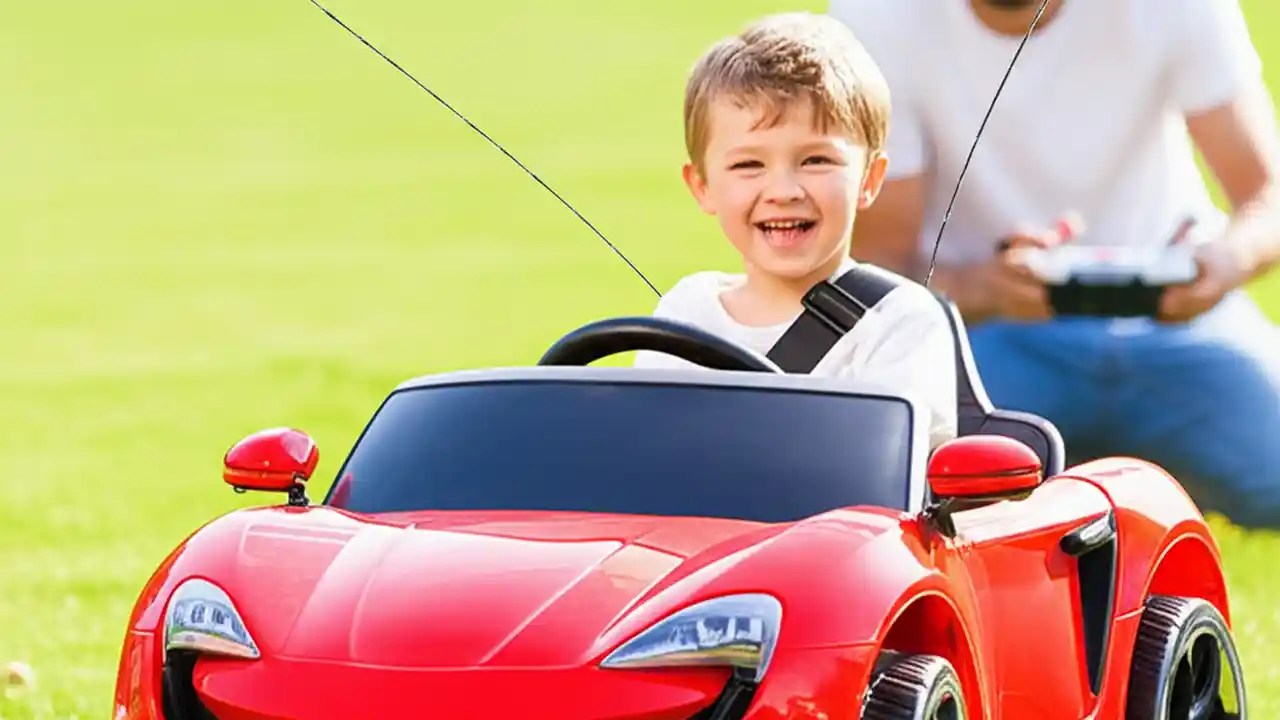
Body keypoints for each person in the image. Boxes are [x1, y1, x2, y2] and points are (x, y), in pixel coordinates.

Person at [829, 0, 1280, 528]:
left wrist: (1223, 263)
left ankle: (1126, 474)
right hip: (982, 332)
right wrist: (984, 287)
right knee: (906, 494)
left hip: (1174, 320)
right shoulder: (881, 16)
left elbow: (1268, 196)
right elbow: (882, 264)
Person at [633, 12, 959, 450]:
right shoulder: (686, 312)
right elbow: (647, 456)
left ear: (869, 179)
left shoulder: (901, 321)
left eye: (816, 161)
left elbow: (890, 469)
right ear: (703, 187)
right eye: (748, 165)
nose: (783, 191)